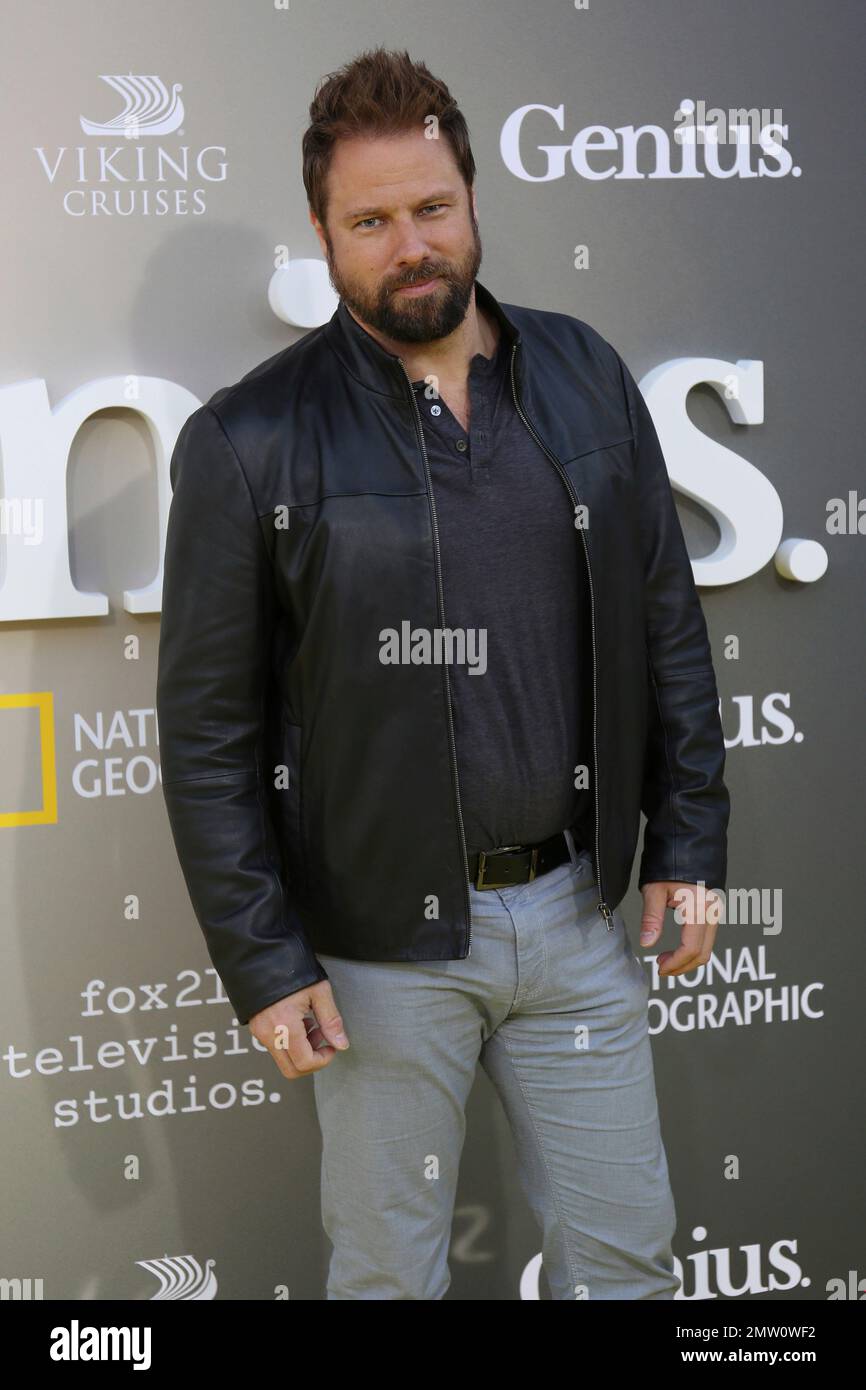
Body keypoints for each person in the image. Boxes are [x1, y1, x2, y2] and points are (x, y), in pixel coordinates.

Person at [156, 46, 729, 1300]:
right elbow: (205, 736)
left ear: (472, 200)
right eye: (370, 221)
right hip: (374, 955)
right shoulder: (247, 441)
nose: (407, 244)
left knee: (622, 1256)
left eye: (430, 208)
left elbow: (663, 622)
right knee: (389, 1276)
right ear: (321, 233)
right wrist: (266, 962)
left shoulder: (580, 374)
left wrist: (686, 842)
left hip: (577, 916)